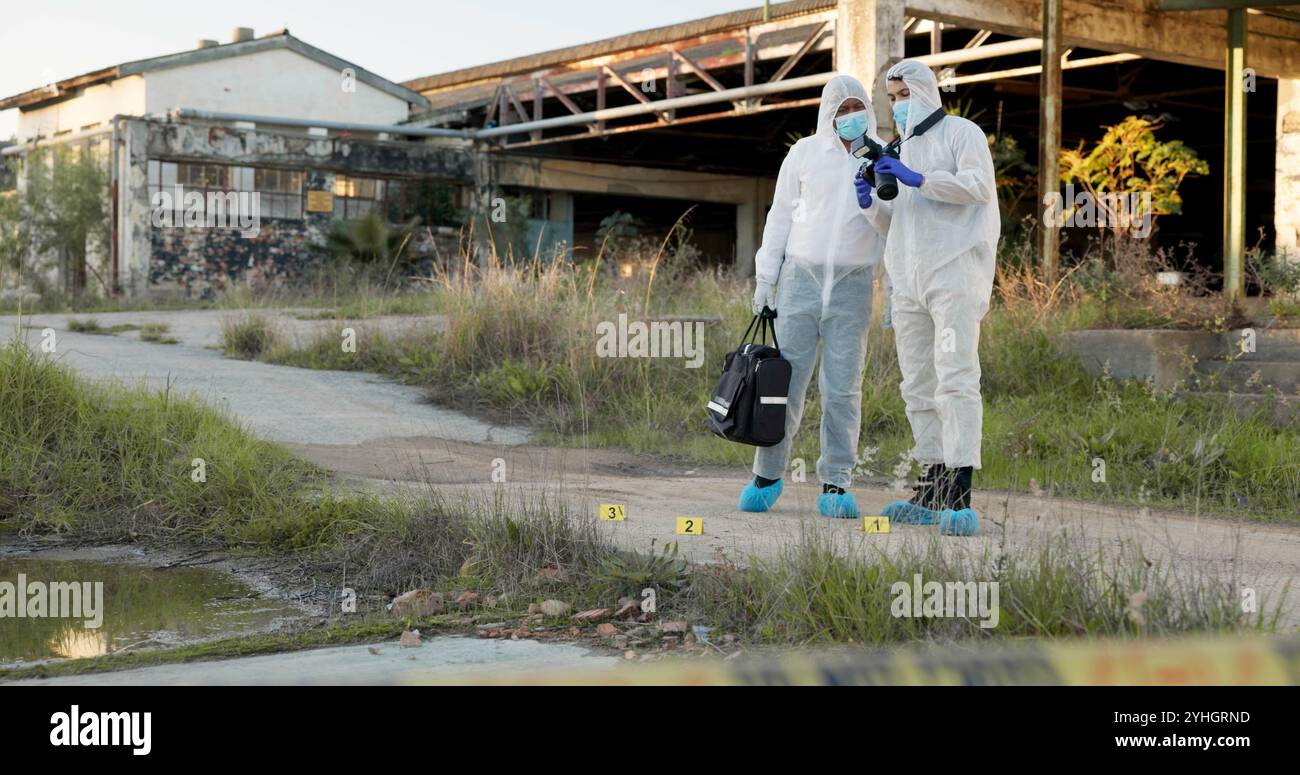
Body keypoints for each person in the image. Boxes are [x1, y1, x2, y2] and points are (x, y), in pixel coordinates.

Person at [852, 59, 1000, 536]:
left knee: (955, 377)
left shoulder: (962, 134)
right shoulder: (898, 146)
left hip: (954, 271)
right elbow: (895, 224)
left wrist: (919, 179)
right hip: (908, 280)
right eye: (890, 98)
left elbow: (978, 188)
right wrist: (870, 201)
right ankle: (933, 483)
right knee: (916, 383)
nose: (896, 105)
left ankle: (960, 490)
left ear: (923, 91)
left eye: (902, 95)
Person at [740, 74, 887, 519]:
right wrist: (767, 279)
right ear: (827, 113)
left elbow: (893, 224)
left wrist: (894, 286)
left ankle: (836, 483)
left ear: (867, 110)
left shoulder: (881, 155)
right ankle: (767, 474)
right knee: (783, 384)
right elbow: (780, 215)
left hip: (853, 283)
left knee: (843, 388)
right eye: (840, 109)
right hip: (800, 280)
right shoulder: (804, 153)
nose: (848, 116)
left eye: (856, 107)